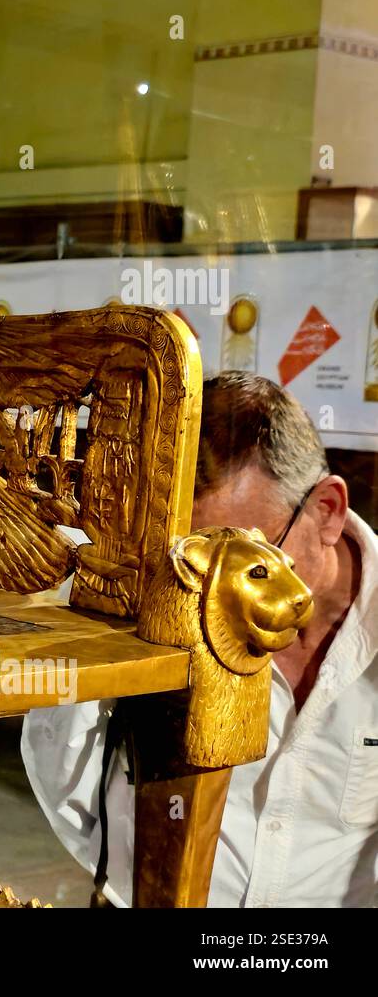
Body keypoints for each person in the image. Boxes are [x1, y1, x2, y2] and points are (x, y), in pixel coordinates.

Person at [22, 371, 378, 907]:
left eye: (247, 557)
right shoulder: (162, 588)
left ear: (325, 512)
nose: (211, 593)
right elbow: (65, 772)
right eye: (195, 557)